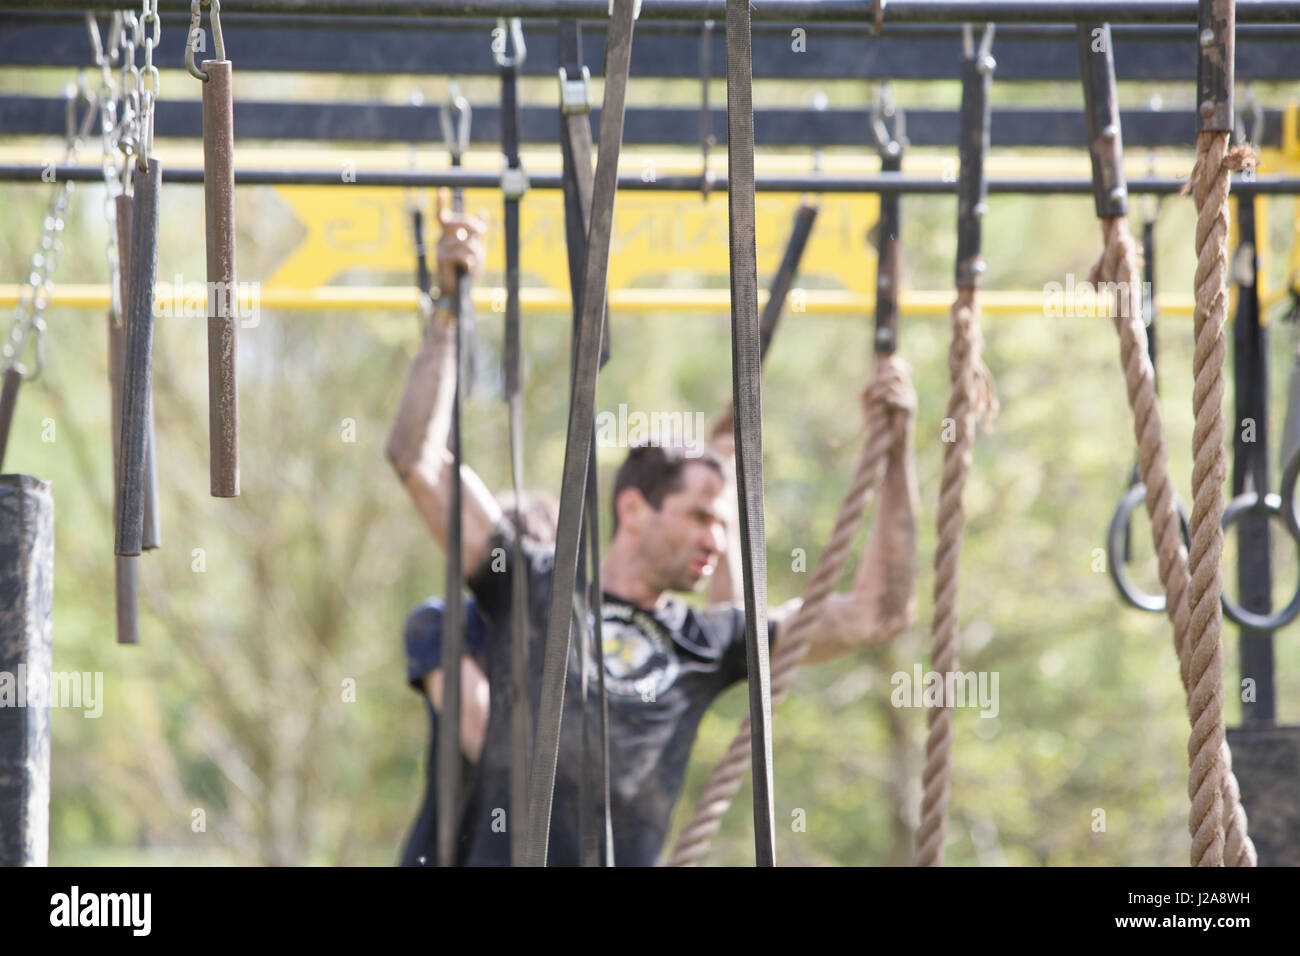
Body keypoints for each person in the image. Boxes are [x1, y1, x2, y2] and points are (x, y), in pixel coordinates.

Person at [386, 192, 920, 866]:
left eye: (722, 524)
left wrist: (898, 453)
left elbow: (879, 611)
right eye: (699, 516)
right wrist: (446, 310)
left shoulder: (710, 641)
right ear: (634, 511)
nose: (716, 540)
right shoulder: (532, 585)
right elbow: (417, 458)